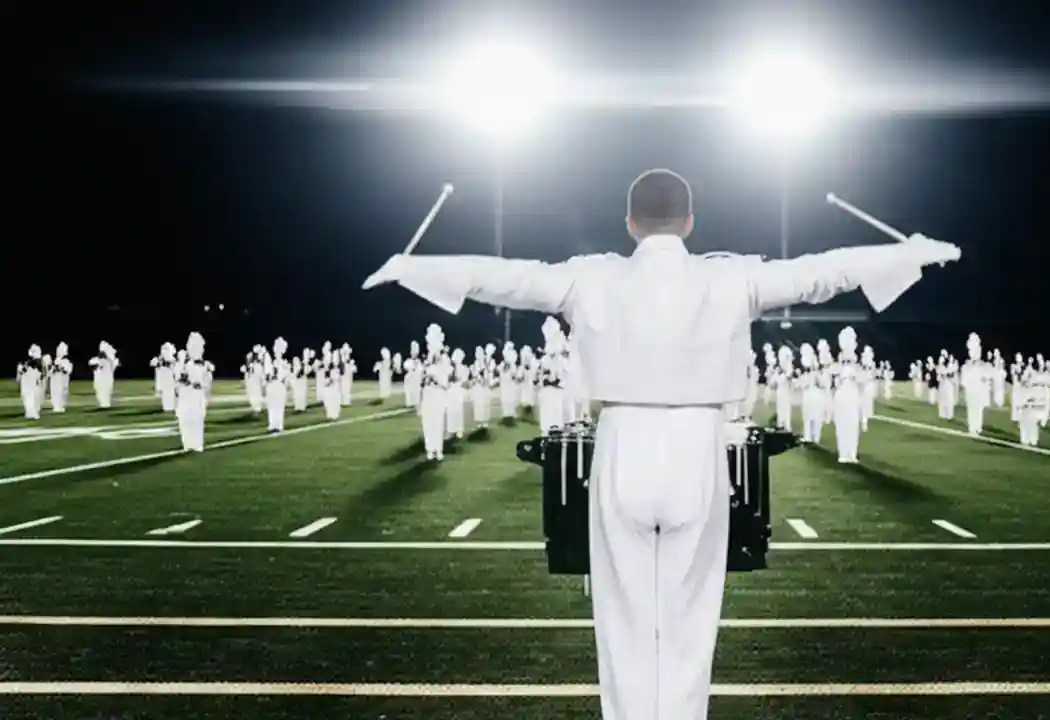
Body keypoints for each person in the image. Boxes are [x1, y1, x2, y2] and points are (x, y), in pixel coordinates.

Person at [362, 168, 959, 720]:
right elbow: (823, 272)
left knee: (622, 623)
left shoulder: (591, 276)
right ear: (691, 222)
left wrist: (414, 267)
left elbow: (506, 277)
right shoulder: (731, 275)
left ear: (629, 224)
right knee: (689, 624)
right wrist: (910, 255)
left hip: (622, 442)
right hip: (699, 447)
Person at [176, 333, 214, 451]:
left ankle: (197, 443)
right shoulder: (183, 362)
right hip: (186, 394)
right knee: (185, 418)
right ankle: (187, 444)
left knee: (198, 418)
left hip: (198, 394)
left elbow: (208, 383)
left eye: (199, 346)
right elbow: (180, 378)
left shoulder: (205, 364)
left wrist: (204, 383)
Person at [832, 327, 864, 463]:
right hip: (842, 395)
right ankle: (843, 452)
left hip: (852, 394)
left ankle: (852, 453)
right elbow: (834, 383)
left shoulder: (857, 366)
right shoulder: (837, 366)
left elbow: (861, 381)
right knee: (842, 424)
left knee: (852, 424)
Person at [959, 333, 990, 437]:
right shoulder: (967, 366)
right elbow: (965, 379)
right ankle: (973, 427)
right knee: (972, 409)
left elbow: (986, 378)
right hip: (972, 389)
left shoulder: (982, 366)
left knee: (978, 409)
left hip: (978, 389)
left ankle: (977, 427)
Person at [265, 337, 290, 432]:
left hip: (279, 385)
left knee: (278, 405)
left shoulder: (284, 362)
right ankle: (272, 424)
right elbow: (267, 374)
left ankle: (278, 425)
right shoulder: (271, 360)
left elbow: (285, 376)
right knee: (271, 405)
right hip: (271, 384)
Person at [88, 341, 119, 409]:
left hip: (107, 378)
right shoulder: (95, 360)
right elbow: (92, 365)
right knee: (99, 391)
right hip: (98, 379)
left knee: (107, 390)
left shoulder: (109, 361)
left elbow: (113, 366)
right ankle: (103, 403)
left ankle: (106, 403)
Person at [17, 345, 44, 420]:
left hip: (32, 381)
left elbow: (35, 367)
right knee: (26, 397)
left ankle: (33, 412)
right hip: (27, 381)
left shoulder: (36, 362)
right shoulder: (29, 362)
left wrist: (23, 368)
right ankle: (29, 412)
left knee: (31, 396)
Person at [49, 343, 73, 413]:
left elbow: (69, 370)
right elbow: (50, 372)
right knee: (55, 392)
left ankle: (61, 406)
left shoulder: (67, 361)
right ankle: (56, 406)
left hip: (63, 380)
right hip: (55, 380)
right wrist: (54, 369)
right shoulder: (55, 360)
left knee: (63, 392)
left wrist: (61, 368)